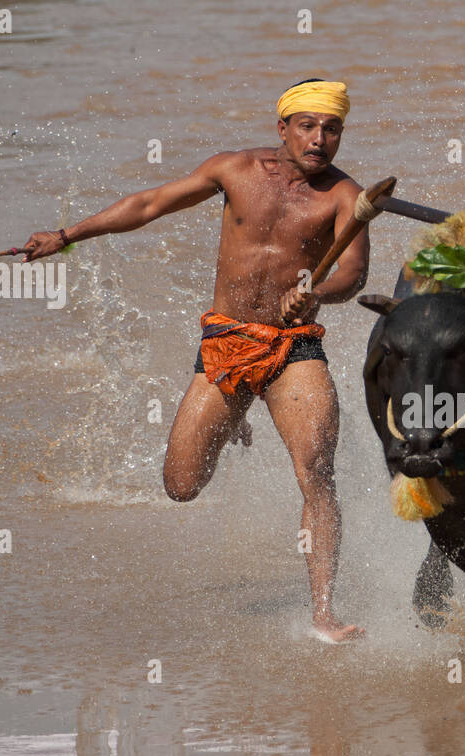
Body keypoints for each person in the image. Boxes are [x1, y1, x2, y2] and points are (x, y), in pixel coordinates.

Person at [23, 79, 367, 642]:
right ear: (281, 128)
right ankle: (235, 416)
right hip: (226, 344)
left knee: (317, 474)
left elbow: (352, 273)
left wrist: (318, 291)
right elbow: (150, 204)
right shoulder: (233, 170)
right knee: (180, 485)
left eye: (331, 129)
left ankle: (324, 612)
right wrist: (68, 234)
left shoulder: (347, 198)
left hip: (293, 348)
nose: (319, 139)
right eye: (307, 126)